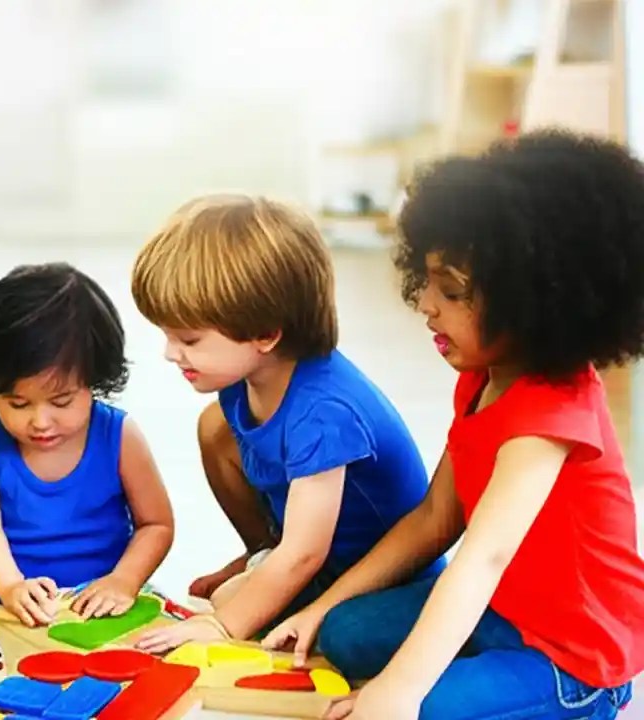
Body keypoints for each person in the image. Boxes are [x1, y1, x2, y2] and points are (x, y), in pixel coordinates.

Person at [264, 130, 644, 720]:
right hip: (504, 611)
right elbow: (437, 517)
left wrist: (398, 691)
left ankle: (583, 705)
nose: (426, 304)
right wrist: (321, 606)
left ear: (535, 298)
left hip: (572, 656)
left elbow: (482, 558)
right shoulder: (484, 376)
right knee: (344, 632)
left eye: (454, 291)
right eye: (429, 281)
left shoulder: (549, 417)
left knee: (427, 710)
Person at [127, 194, 442, 653]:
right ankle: (263, 558)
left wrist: (223, 627)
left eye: (188, 338)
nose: (171, 353)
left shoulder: (324, 412)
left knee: (265, 615)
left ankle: (274, 577)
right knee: (215, 427)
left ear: (266, 334)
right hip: (317, 548)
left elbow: (306, 552)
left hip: (386, 573)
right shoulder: (243, 376)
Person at [0, 263, 174, 627]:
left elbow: (156, 524)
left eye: (61, 402)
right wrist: (11, 587)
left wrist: (123, 581)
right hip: (13, 604)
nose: (40, 422)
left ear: (94, 381)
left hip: (104, 601)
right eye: (17, 403)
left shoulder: (119, 436)